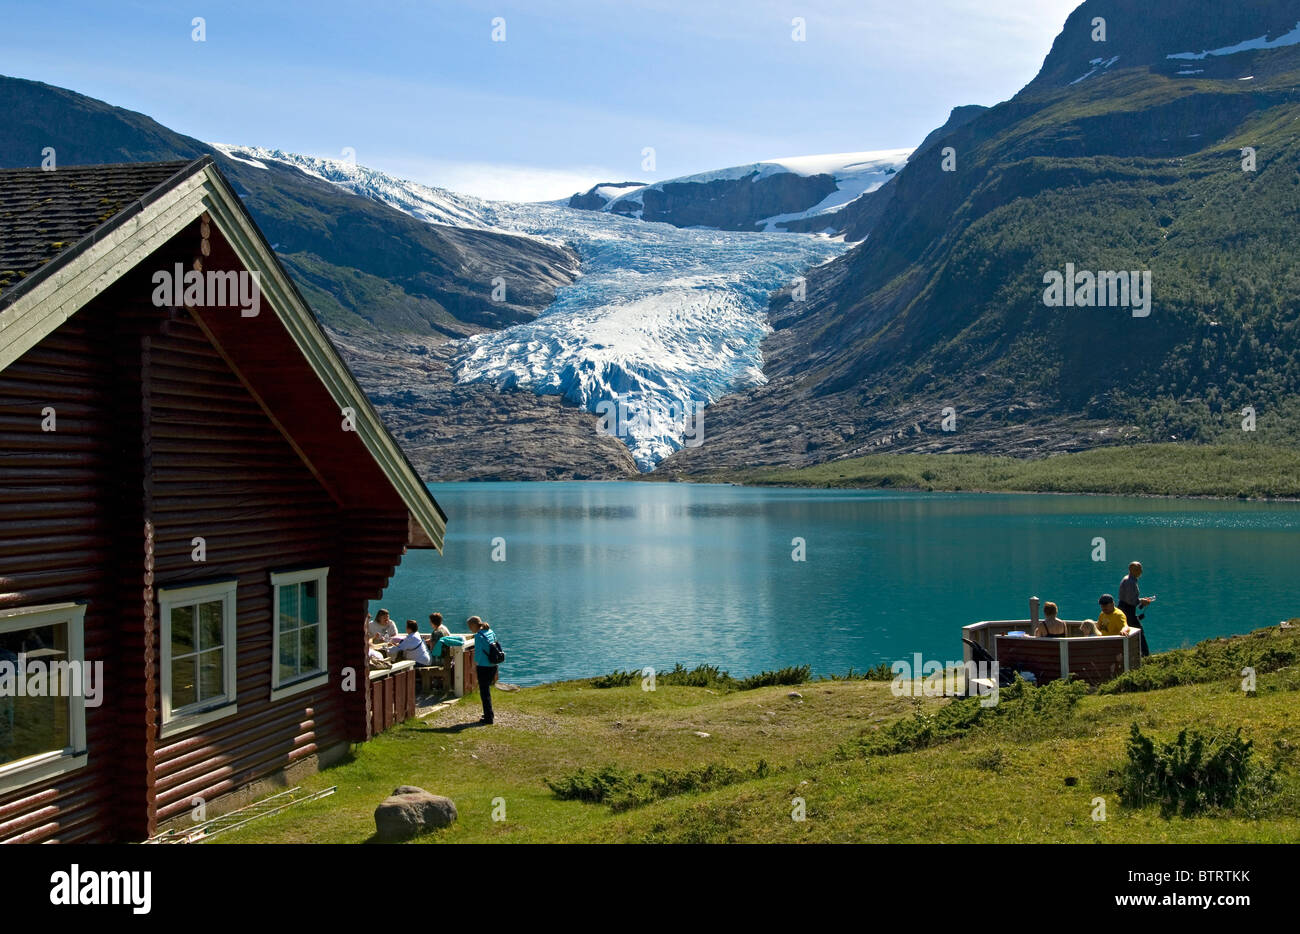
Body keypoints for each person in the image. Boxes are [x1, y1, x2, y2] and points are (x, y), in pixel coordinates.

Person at [1118, 562, 1156, 656]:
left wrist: (1141, 601)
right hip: (1127, 610)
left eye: (1140, 569)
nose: (1140, 572)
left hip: (1125, 609)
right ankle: (1145, 655)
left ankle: (1137, 654)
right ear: (1131, 570)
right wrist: (1141, 601)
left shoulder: (1129, 579)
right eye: (1138, 569)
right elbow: (1130, 600)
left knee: (1133, 631)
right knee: (1139, 632)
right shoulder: (1130, 582)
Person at [468, 616, 500, 725]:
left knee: (484, 692)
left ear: (473, 625)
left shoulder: (478, 636)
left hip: (483, 666)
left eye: (469, 626)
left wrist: (475, 663)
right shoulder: (490, 631)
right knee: (487, 691)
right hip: (494, 665)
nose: (469, 629)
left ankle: (488, 718)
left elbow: (477, 654)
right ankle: (489, 714)